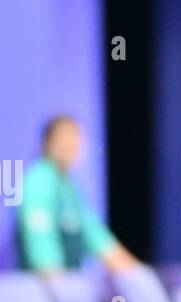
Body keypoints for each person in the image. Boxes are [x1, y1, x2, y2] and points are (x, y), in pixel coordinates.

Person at [17, 114, 138, 277]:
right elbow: (42, 252)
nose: (71, 143)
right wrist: (63, 292)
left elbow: (98, 238)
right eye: (64, 138)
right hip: (43, 292)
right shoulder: (38, 182)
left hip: (68, 286)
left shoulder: (70, 186)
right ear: (47, 143)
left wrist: (141, 277)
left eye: (75, 137)